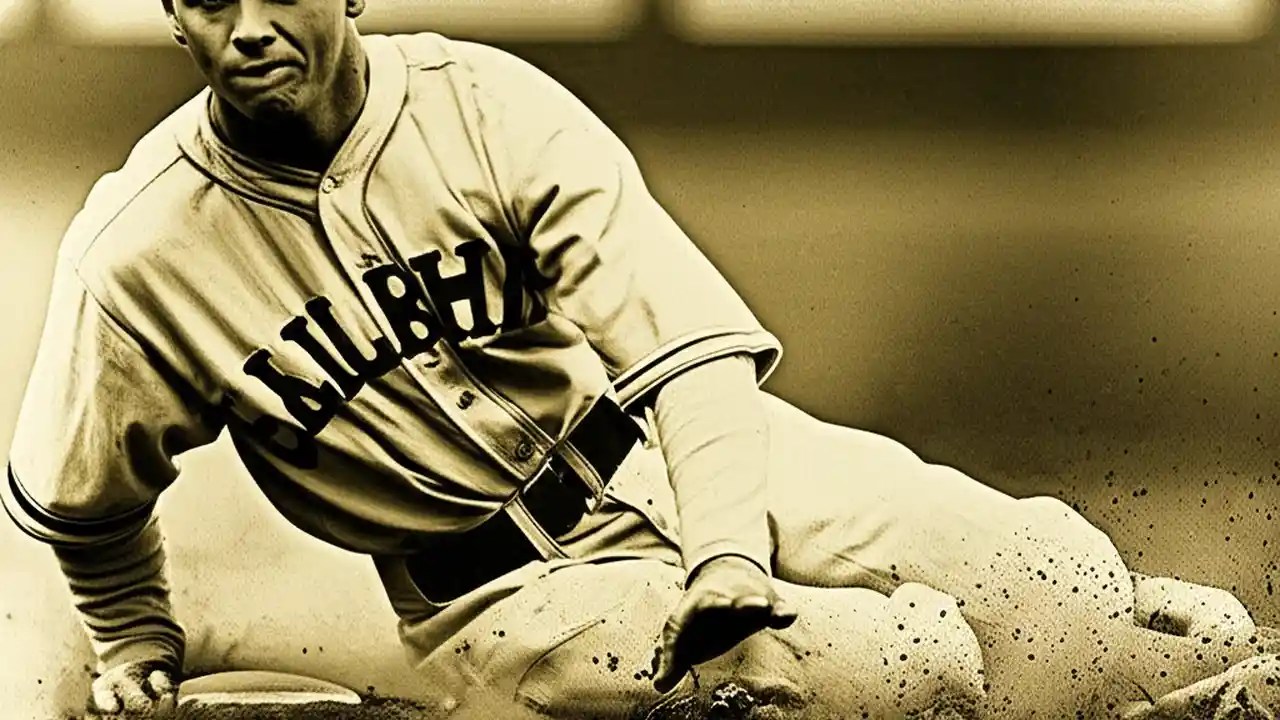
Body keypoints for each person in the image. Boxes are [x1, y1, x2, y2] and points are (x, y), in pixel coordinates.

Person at [5, 1, 1278, 718]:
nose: (245, 26)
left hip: (667, 454)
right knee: (907, 668)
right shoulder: (138, 251)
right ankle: (1174, 690)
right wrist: (131, 641)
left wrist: (724, 549)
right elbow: (82, 498)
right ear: (173, 13)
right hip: (492, 599)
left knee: (1042, 569)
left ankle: (1165, 679)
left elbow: (688, 352)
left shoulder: (483, 106)